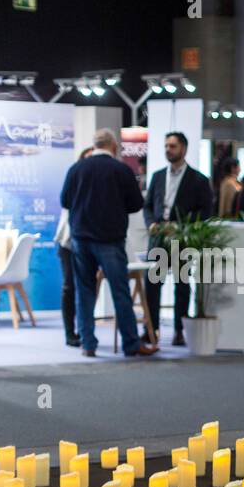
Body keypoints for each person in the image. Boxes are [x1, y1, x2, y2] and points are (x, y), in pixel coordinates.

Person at [59, 128, 154, 358]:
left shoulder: (76, 169)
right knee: (120, 292)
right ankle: (130, 344)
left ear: (94, 146)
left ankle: (88, 344)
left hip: (81, 239)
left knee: (85, 292)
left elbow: (65, 200)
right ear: (113, 146)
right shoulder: (121, 170)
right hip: (110, 239)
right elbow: (135, 204)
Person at [143, 131, 214, 346]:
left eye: (172, 146)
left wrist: (182, 226)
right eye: (166, 146)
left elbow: (206, 211)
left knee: (182, 285)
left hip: (182, 238)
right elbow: (147, 206)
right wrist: (151, 223)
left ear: (183, 149)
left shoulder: (198, 180)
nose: (168, 150)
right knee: (152, 284)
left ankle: (179, 330)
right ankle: (150, 329)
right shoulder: (156, 176)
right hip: (158, 238)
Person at [54, 148, 93, 347]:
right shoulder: (75, 181)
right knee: (69, 286)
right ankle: (70, 333)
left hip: (89, 242)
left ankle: (83, 331)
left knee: (86, 288)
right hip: (68, 242)